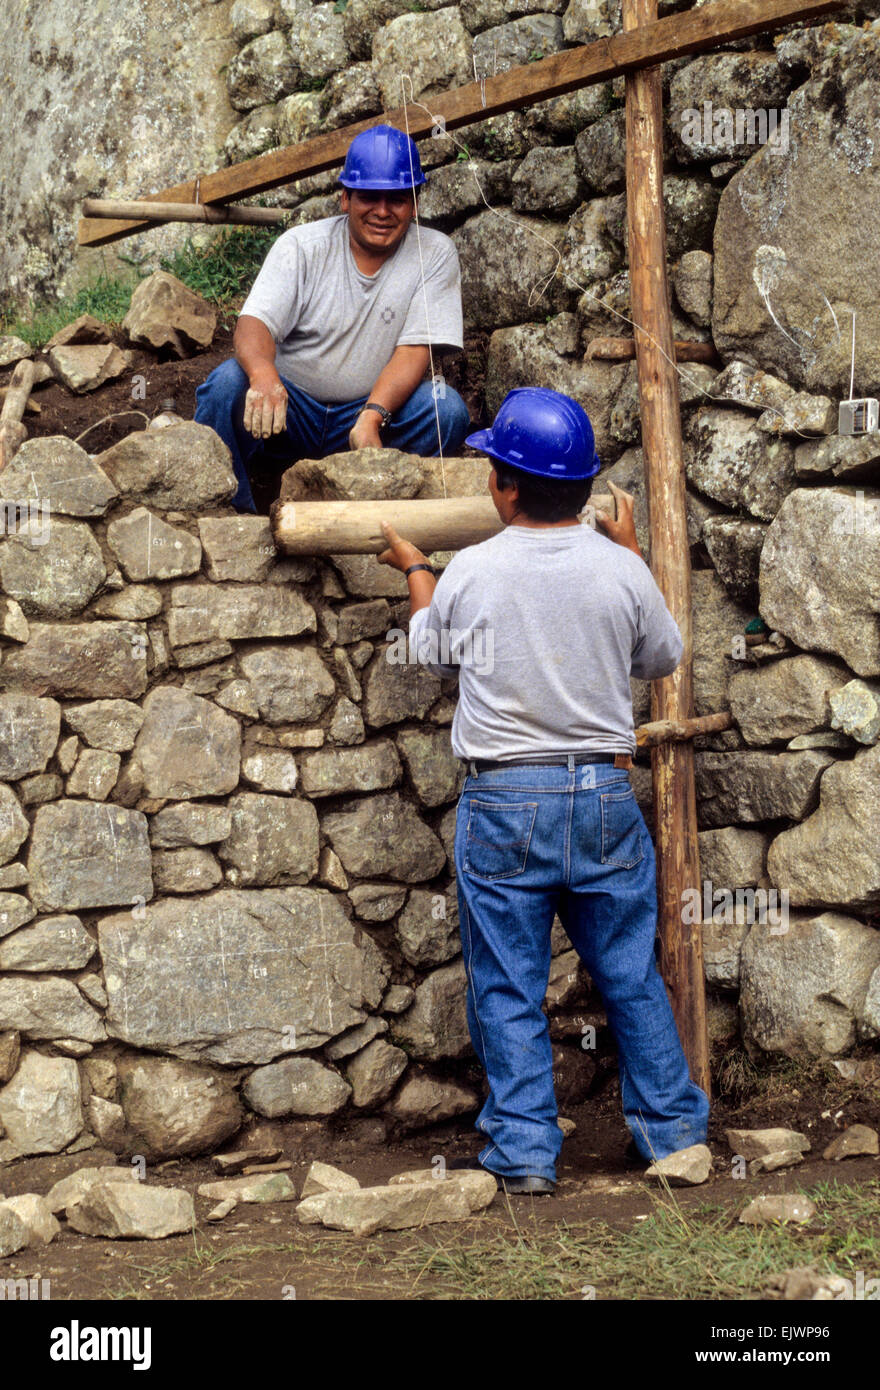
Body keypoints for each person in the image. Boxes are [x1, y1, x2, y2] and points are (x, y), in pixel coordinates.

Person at [377, 387, 710, 1195]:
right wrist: (628, 555)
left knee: (507, 981)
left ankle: (525, 1154)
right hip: (601, 794)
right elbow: (662, 658)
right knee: (629, 971)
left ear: (507, 487)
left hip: (505, 799)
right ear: (582, 487)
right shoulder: (619, 572)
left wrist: (417, 566)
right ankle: (672, 1136)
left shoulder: (474, 571)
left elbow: (430, 650)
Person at [194, 124, 471, 512]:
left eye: (396, 199)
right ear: (345, 198)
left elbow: (414, 352)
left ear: (415, 203)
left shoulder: (435, 253)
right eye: (368, 197)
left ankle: (384, 508)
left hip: (365, 417)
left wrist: (373, 417)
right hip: (288, 414)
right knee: (226, 385)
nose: (382, 211)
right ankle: (234, 513)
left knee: (446, 409)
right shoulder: (302, 246)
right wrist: (264, 377)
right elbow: (254, 324)